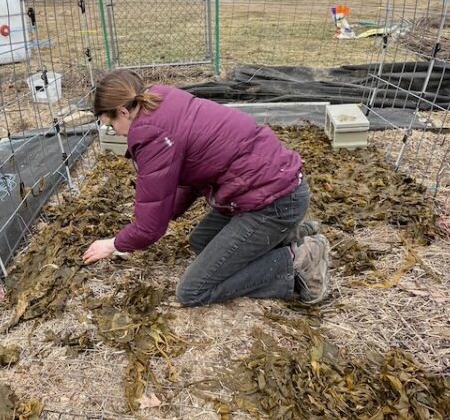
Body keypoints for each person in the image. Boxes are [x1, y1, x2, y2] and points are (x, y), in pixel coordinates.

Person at [82, 69, 331, 306]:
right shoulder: (164, 100)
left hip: (273, 200)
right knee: (201, 241)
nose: (114, 131)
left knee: (193, 290)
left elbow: (149, 229)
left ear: (123, 112)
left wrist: (114, 244)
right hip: (268, 186)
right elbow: (187, 179)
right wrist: (160, 214)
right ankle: (291, 235)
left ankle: (298, 263)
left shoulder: (152, 136)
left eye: (109, 124)